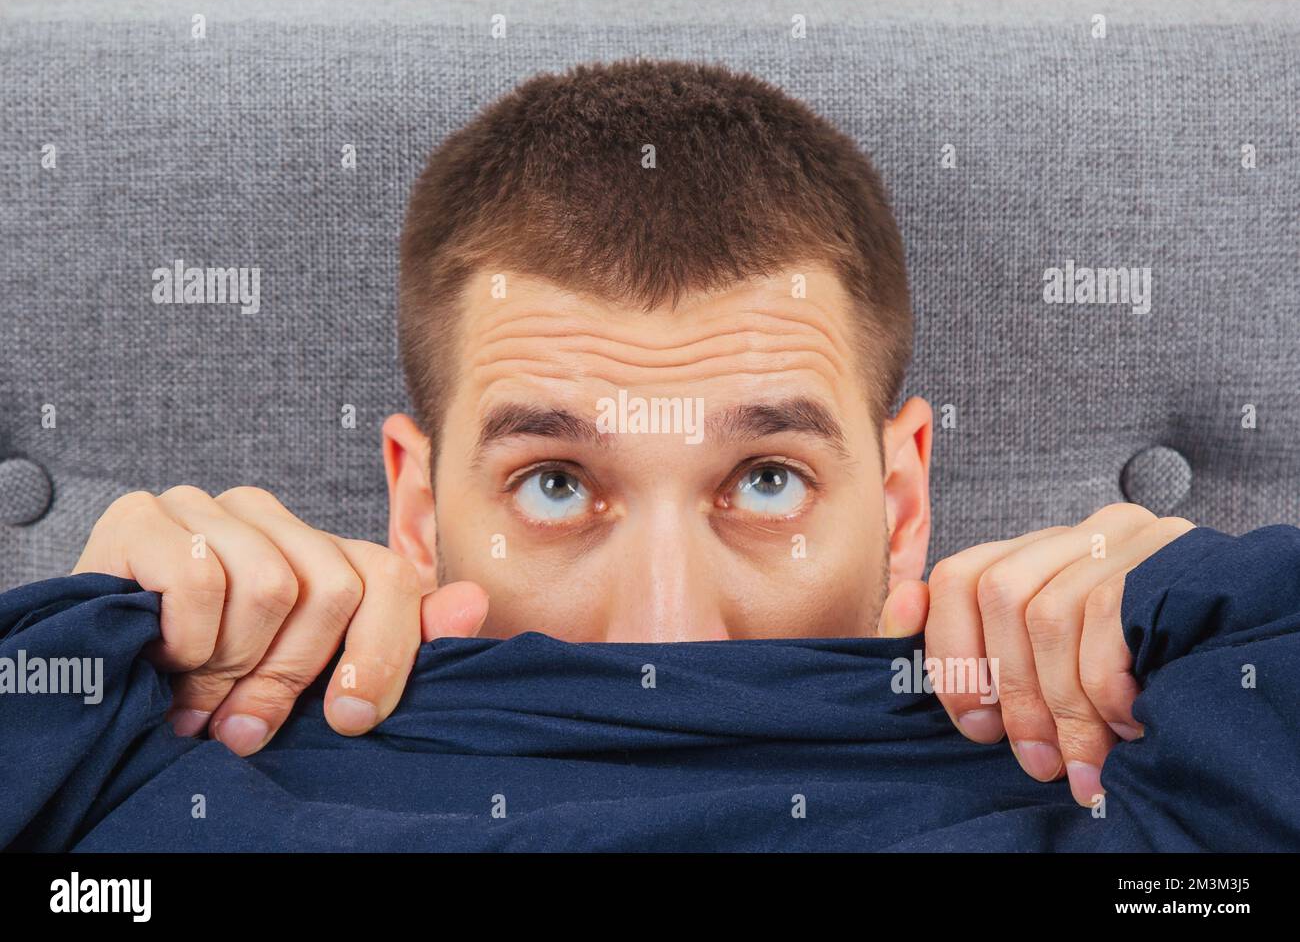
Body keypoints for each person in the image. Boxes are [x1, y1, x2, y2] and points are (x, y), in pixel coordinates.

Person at [69, 59, 1196, 808]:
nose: (668, 632)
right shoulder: (190, 790)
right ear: (417, 513)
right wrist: (82, 673)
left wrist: (1203, 632)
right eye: (555, 484)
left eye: (765, 481)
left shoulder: (1117, 797)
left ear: (901, 509)